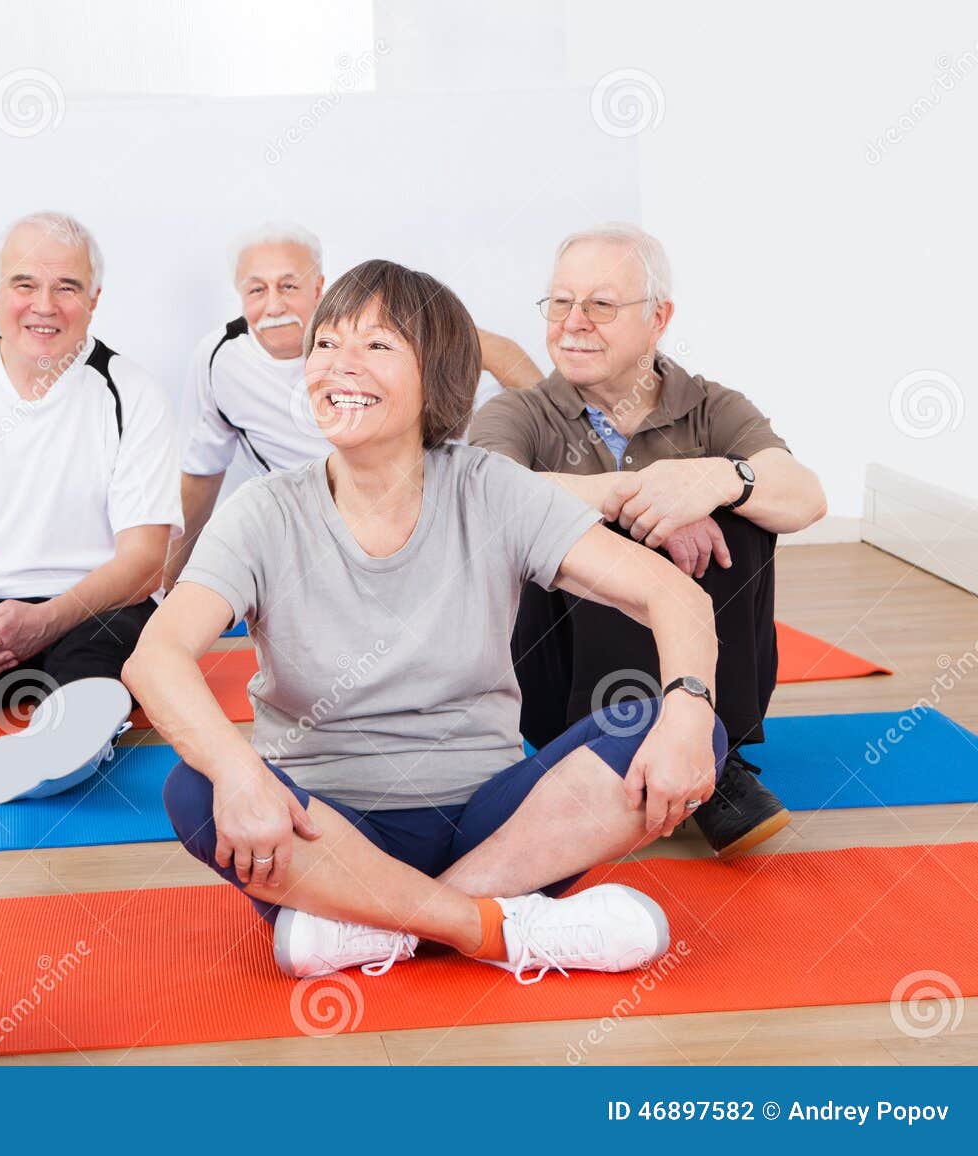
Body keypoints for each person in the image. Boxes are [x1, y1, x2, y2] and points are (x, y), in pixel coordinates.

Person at [124, 259, 729, 982]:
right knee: (194, 785)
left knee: (675, 727)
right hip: (326, 832)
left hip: (498, 824)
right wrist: (239, 774)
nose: (338, 365)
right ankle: (497, 927)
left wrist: (690, 716)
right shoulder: (264, 512)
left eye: (376, 346)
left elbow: (674, 595)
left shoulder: (489, 487)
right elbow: (155, 658)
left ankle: (377, 925)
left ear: (435, 376)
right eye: (326, 344)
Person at [470, 224, 826, 857]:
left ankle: (711, 750)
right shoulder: (520, 412)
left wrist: (712, 479)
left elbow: (805, 496)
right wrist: (646, 501)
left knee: (744, 507)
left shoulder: (711, 405)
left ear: (658, 317)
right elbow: (488, 495)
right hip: (564, 689)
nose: (573, 322)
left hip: (703, 684)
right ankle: (604, 751)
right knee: (562, 519)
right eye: (560, 302)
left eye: (601, 305)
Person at [0, 211, 181, 803]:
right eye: (25, 285)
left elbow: (146, 563)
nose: (43, 305)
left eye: (65, 287)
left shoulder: (133, 393)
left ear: (93, 300)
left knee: (96, 662)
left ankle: (58, 753)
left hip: (92, 603)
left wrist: (46, 619)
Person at [165, 223, 545, 587]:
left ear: (318, 288)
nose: (274, 305)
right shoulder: (220, 359)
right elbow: (201, 472)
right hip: (323, 531)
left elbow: (495, 350)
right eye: (256, 290)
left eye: (288, 285)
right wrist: (169, 582)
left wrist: (558, 422)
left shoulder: (377, 324)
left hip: (427, 504)